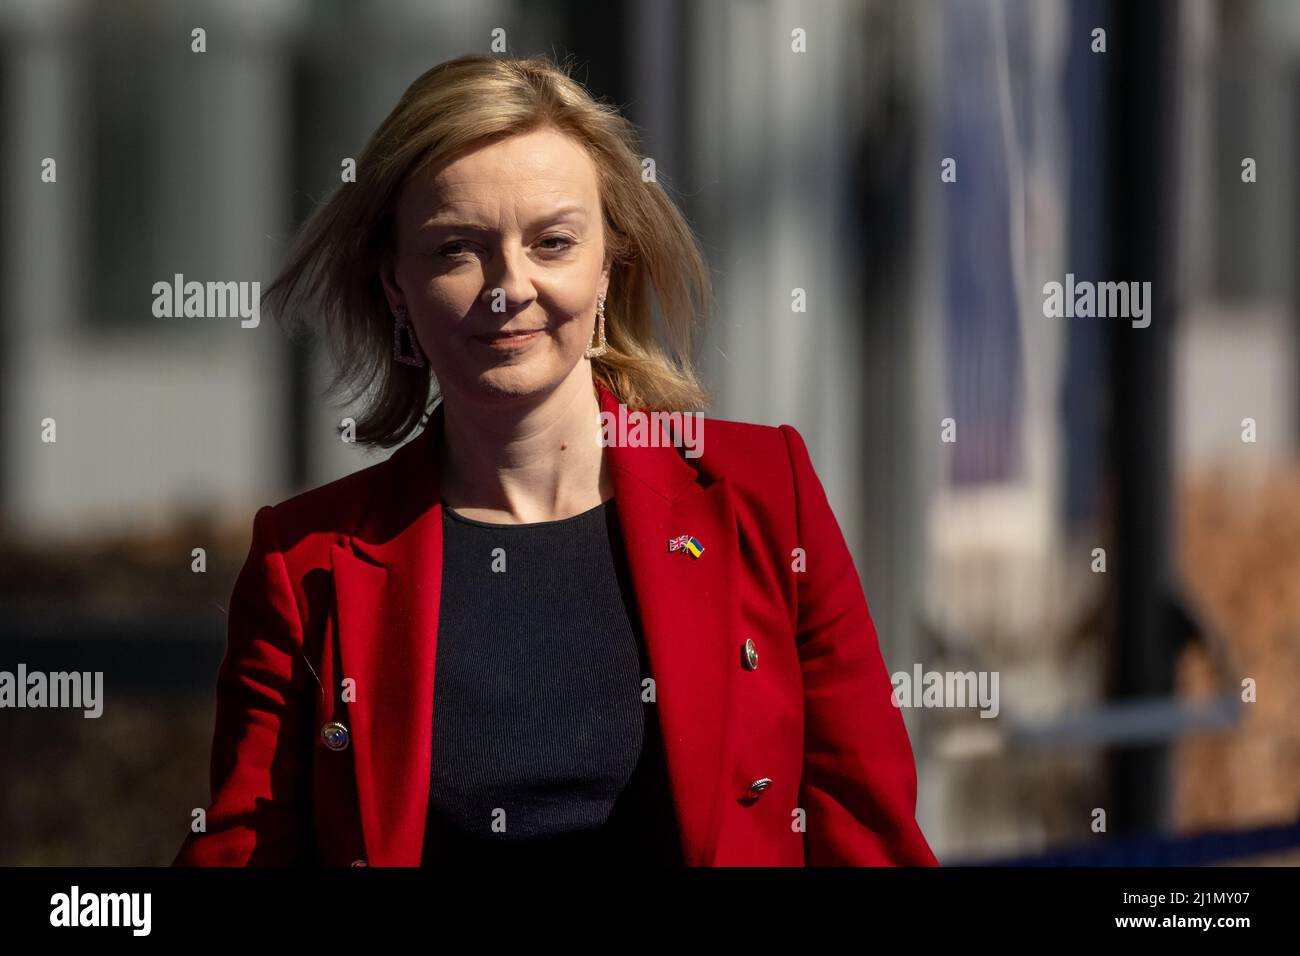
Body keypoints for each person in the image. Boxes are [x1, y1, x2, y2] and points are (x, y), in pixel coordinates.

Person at [173, 53, 937, 867]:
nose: (510, 286)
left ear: (611, 262)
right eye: (456, 250)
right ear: (394, 283)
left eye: (553, 243)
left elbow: (868, 836)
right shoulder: (307, 561)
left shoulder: (762, 493)